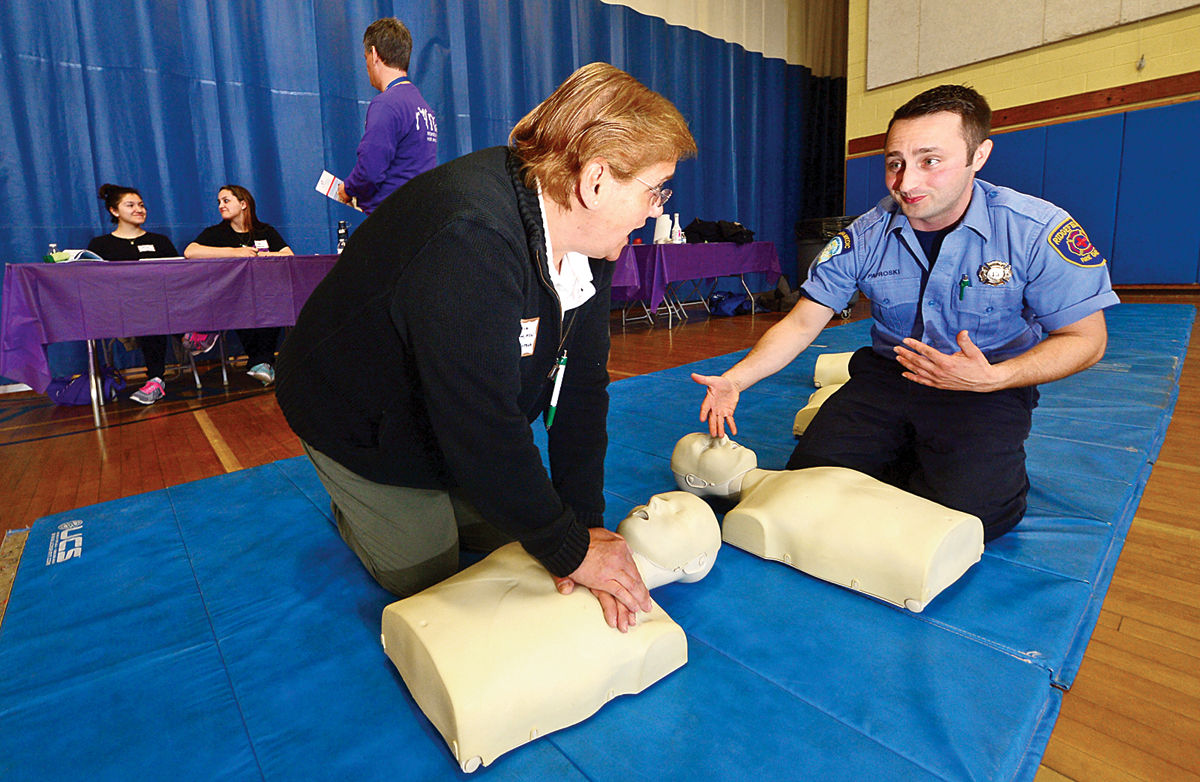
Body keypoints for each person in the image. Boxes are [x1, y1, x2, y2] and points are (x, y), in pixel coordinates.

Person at [276, 62, 697, 632]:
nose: (657, 210)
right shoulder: (471, 236)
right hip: (356, 414)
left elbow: (581, 392)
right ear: (596, 180)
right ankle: (355, 496)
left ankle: (450, 495)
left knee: (525, 539)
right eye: (655, 190)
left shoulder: (593, 246)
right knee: (427, 573)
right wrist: (570, 548)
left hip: (447, 404)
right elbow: (482, 426)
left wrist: (585, 529)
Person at [693, 84, 1119, 542]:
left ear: (980, 156)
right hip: (890, 375)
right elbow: (801, 321)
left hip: (985, 385)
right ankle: (911, 451)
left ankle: (936, 460)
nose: (906, 183)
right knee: (810, 483)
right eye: (895, 163)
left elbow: (1087, 339)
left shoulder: (1036, 230)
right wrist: (737, 378)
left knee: (974, 517)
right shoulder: (867, 234)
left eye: (929, 161)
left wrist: (993, 378)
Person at [380, 491, 721, 773]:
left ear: (694, 565)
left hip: (466, 698)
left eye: (677, 514)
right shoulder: (544, 545)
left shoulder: (657, 633)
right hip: (417, 618)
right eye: (664, 498)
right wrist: (573, 550)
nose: (656, 502)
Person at [669, 433, 982, 612]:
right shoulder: (750, 517)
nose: (721, 437)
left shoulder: (795, 478)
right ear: (695, 480)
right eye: (707, 446)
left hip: (949, 530)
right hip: (922, 560)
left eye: (714, 436)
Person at [183, 185, 293, 385]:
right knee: (243, 301)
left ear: (243, 204)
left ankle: (261, 363)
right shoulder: (216, 233)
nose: (221, 206)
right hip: (232, 295)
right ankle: (261, 363)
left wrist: (259, 255)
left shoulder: (265, 231)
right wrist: (235, 252)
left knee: (272, 301)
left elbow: (288, 255)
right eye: (218, 202)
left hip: (265, 293)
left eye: (226, 201)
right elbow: (190, 252)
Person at [86, 184, 181, 405]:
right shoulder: (100, 245)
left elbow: (178, 276)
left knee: (155, 308)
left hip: (162, 306)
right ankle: (189, 337)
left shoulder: (160, 242)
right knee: (149, 309)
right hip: (122, 309)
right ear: (114, 211)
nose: (139, 209)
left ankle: (156, 380)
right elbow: (95, 285)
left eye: (141, 205)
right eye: (130, 205)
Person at [336, 17, 438, 214]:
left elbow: (370, 170)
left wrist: (347, 189)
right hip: (419, 216)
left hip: (392, 222)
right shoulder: (425, 109)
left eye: (365, 58)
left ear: (374, 54)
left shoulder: (387, 104)